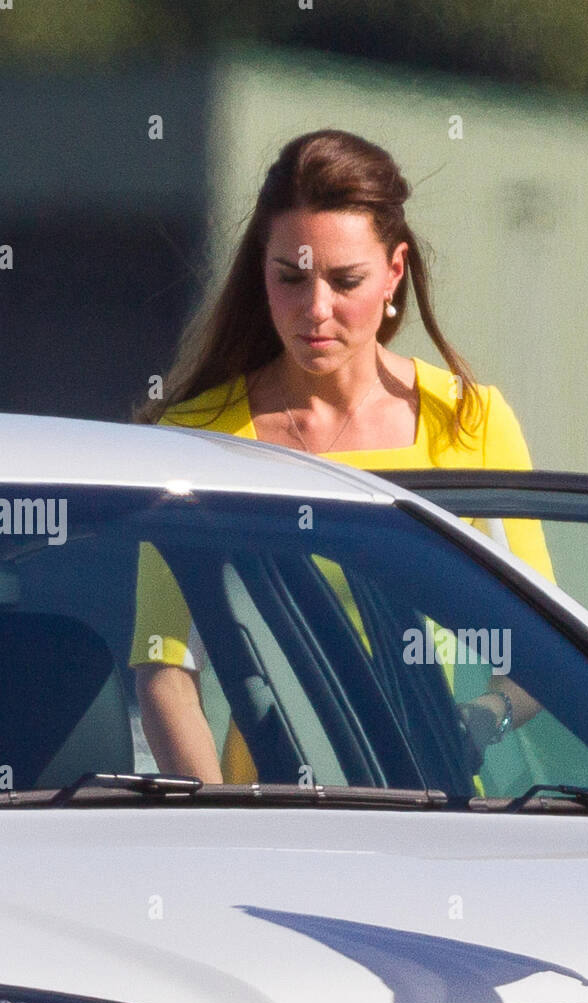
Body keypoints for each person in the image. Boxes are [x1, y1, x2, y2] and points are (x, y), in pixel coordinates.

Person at [130, 128, 554, 784]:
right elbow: (165, 669)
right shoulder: (197, 436)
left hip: (438, 824)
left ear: (394, 273)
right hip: (269, 818)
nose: (316, 309)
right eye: (291, 278)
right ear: (260, 272)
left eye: (345, 279)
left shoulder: (471, 423)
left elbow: (541, 656)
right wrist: (219, 829)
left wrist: (471, 724)